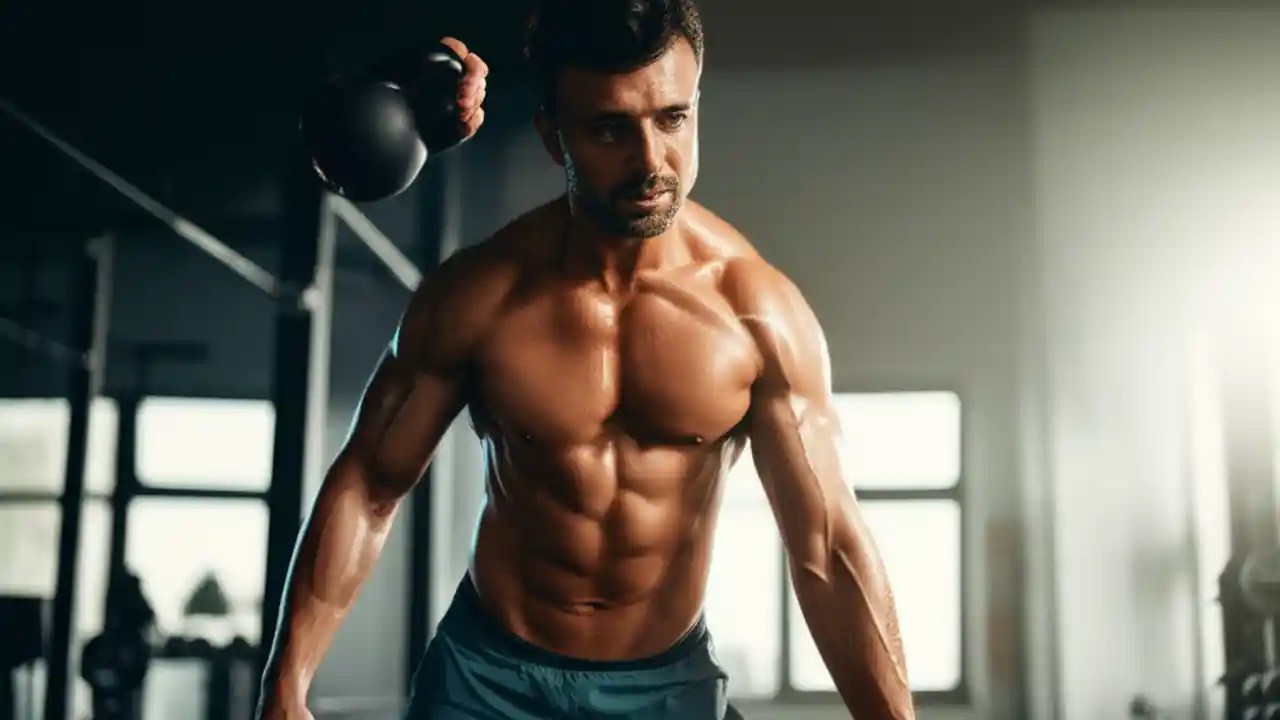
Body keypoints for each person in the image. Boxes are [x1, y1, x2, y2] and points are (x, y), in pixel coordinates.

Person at [257, 1, 914, 718]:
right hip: (486, 682)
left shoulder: (756, 315)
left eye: (672, 118)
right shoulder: (480, 296)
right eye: (609, 129)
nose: (650, 163)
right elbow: (369, 485)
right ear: (553, 136)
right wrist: (285, 686)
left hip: (669, 688)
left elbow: (825, 547)